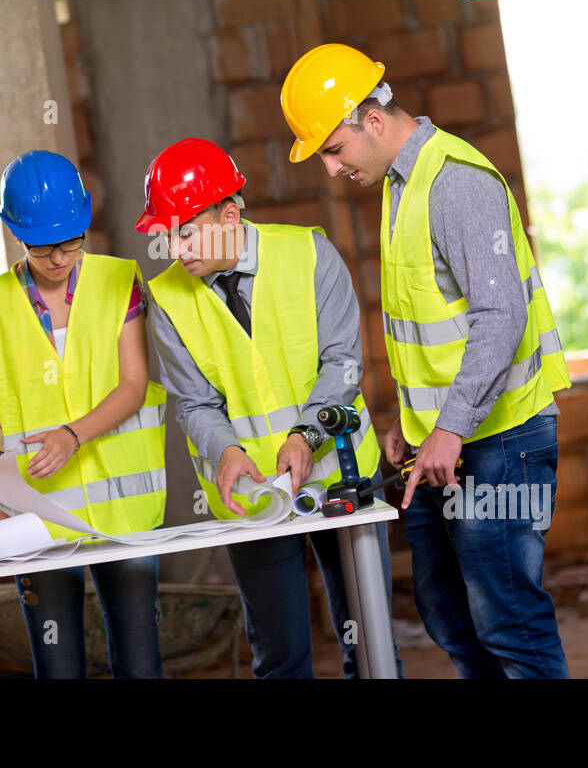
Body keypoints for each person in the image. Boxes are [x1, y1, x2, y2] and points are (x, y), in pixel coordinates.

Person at [281, 42, 573, 678]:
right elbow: (436, 325)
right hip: (442, 441)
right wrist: (412, 420)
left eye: (333, 149)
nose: (330, 169)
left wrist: (449, 425)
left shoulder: (455, 183)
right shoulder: (400, 182)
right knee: (449, 615)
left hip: (499, 440)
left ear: (374, 120)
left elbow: (501, 319)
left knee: (509, 623)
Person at [138, 137, 401, 679]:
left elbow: (344, 364)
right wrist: (227, 451)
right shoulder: (166, 298)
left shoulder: (309, 253)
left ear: (229, 213)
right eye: (166, 235)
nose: (175, 248)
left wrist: (305, 436)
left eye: (185, 231)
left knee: (368, 639)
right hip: (251, 493)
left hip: (340, 472)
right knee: (280, 658)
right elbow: (194, 402)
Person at [0, 149, 167, 679]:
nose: (59, 258)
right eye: (43, 247)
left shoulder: (119, 280)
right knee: (57, 668)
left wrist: (73, 435)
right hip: (36, 512)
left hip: (124, 511)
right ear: (15, 233)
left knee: (140, 663)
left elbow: (133, 384)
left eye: (71, 242)